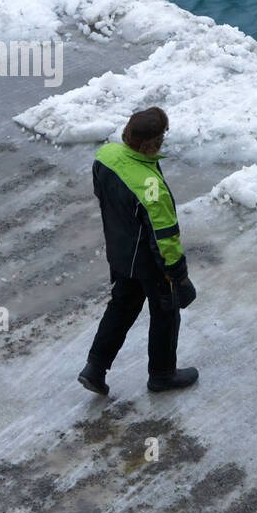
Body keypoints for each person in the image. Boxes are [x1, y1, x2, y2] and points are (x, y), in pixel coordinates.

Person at [78, 107, 199, 395]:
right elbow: (165, 239)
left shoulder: (106, 156)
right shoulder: (150, 187)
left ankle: (94, 368)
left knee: (121, 307)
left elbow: (103, 196)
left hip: (119, 253)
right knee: (166, 313)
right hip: (148, 263)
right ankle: (162, 375)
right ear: (153, 143)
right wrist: (179, 278)